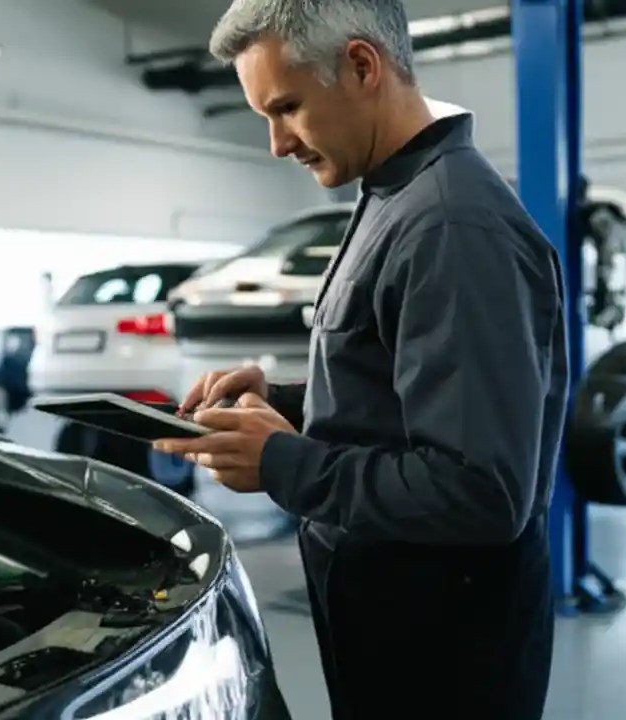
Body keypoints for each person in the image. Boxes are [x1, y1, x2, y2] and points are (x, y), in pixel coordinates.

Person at [153, 1, 569, 718]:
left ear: (361, 66)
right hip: (390, 629)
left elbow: (481, 491)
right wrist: (283, 402)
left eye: (287, 108)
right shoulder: (392, 193)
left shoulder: (451, 224)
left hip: (443, 661)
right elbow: (399, 385)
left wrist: (283, 464)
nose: (277, 144)